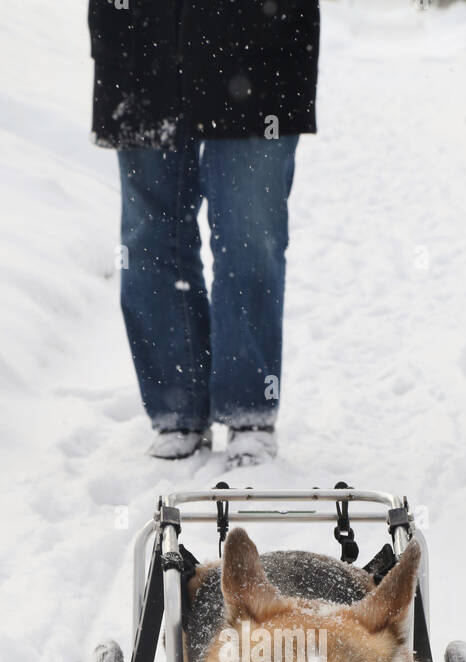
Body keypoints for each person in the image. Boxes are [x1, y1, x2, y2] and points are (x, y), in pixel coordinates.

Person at [87, 1, 321, 464]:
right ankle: (178, 410)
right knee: (149, 236)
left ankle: (249, 410)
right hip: (142, 40)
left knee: (251, 235)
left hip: (261, 38)